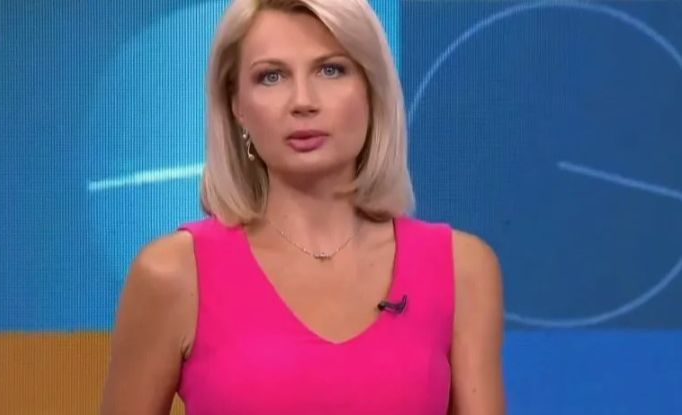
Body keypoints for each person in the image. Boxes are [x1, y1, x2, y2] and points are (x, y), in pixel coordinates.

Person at [100, 0, 506, 414]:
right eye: (271, 76)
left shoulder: (462, 270)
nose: (303, 101)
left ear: (372, 88)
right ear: (237, 105)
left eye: (331, 70)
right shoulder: (172, 275)